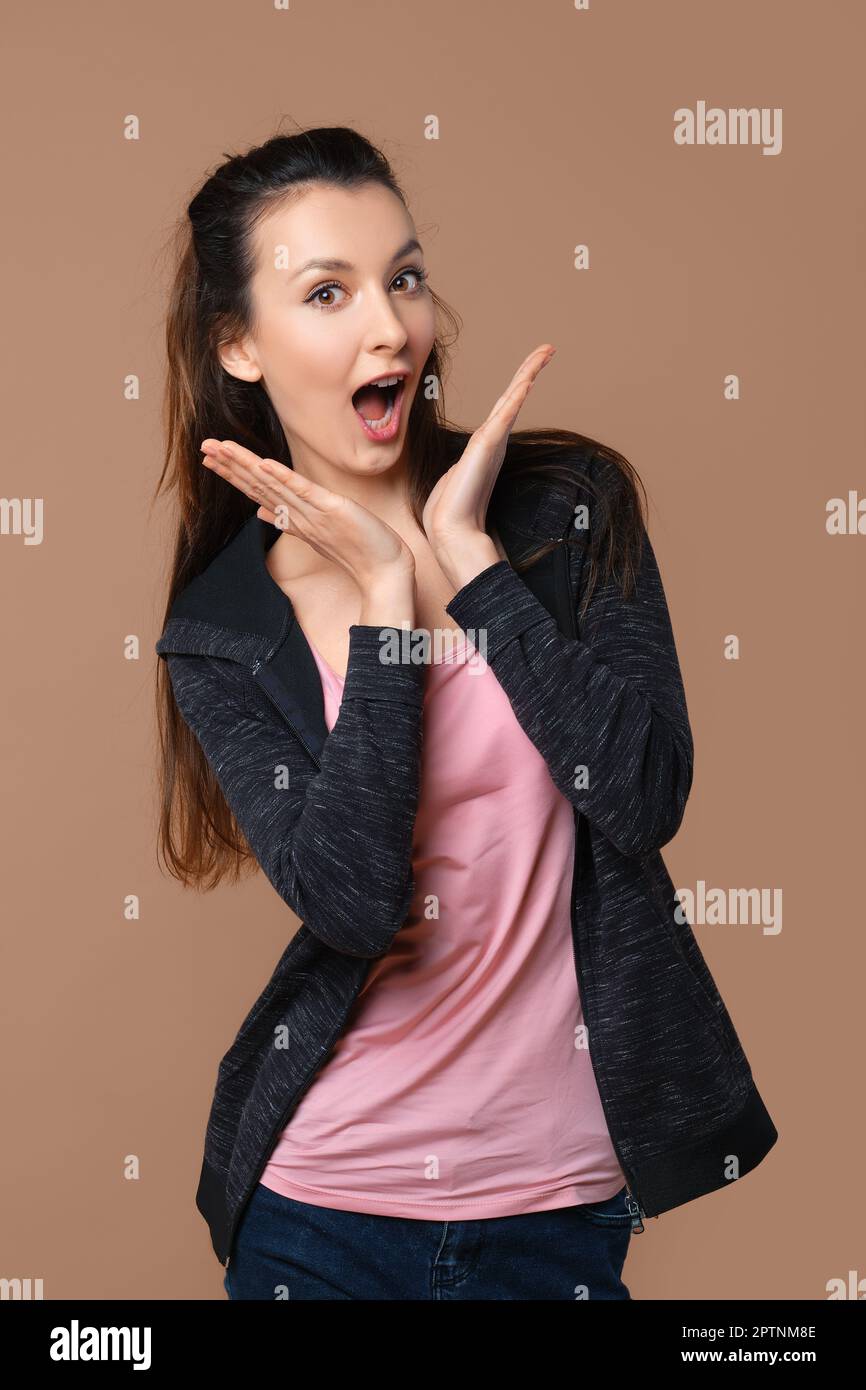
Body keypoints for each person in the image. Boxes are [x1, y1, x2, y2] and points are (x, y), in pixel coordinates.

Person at [153, 125, 778, 1301]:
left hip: (559, 1207)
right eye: (325, 292)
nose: (387, 325)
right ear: (238, 345)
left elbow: (640, 796)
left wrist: (473, 571)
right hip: (321, 1213)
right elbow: (350, 898)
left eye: (401, 276)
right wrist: (391, 606)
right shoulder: (223, 629)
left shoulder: (565, 509)